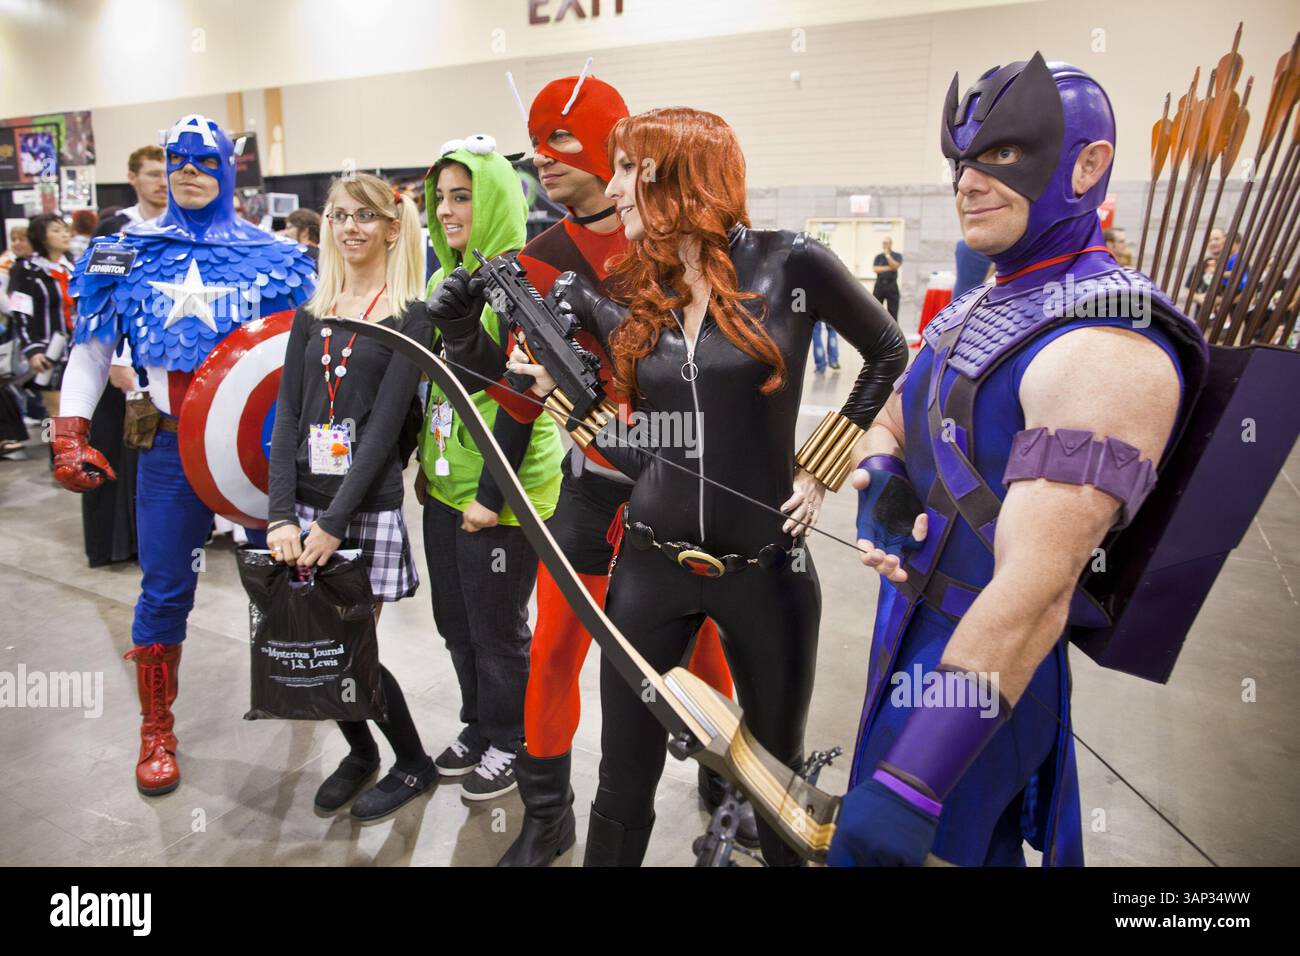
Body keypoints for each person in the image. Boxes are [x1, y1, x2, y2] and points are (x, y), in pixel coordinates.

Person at [829, 55, 1206, 867]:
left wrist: (913, 780)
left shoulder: (1109, 342)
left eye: (1000, 155)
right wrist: (887, 476)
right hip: (911, 635)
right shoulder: (980, 304)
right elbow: (894, 413)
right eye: (961, 161)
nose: (967, 180)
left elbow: (1038, 592)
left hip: (988, 668)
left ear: (1088, 163)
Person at [507, 107, 907, 867]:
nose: (615, 188)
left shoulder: (791, 263)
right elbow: (646, 450)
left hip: (769, 572)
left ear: (681, 173)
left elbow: (888, 350)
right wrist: (560, 395)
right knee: (622, 780)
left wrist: (819, 465)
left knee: (775, 783)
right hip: (650, 570)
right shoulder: (638, 293)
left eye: (629, 168)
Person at [432, 74, 748, 866]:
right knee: (554, 652)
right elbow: (521, 391)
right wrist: (487, 477)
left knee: (703, 655)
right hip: (596, 487)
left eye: (564, 139)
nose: (544, 156)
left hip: (688, 495)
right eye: (536, 142)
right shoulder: (539, 259)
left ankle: (727, 790)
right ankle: (548, 819)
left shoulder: (693, 243)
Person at [57, 113, 316, 796]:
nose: (189, 172)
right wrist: (67, 429)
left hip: (260, 452)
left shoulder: (277, 255)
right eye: (178, 160)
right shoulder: (120, 252)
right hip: (169, 451)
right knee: (165, 588)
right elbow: (92, 349)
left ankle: (306, 685)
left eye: (204, 161)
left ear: (230, 169)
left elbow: (308, 362)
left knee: (287, 577)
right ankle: (155, 730)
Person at [266, 173, 437, 820]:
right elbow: (287, 416)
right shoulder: (314, 310)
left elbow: (386, 428)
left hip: (359, 511)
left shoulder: (409, 316)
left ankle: (412, 763)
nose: (350, 228)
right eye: (339, 216)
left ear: (394, 227)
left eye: (364, 216)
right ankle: (361, 751)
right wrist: (281, 511)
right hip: (304, 507)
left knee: (349, 649)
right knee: (314, 649)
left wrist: (334, 523)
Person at [420, 136, 565, 803]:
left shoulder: (525, 282)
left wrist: (488, 492)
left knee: (497, 627)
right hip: (445, 485)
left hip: (504, 492)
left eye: (463, 196)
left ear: (498, 199)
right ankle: (479, 723)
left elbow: (519, 397)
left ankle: (513, 736)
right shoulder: (438, 279)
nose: (447, 211)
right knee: (455, 622)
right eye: (440, 197)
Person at [8, 214, 76, 418]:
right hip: (47, 350)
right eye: (56, 230)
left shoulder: (72, 268)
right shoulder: (26, 269)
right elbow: (20, 313)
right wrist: (32, 349)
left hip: (77, 348)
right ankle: (57, 451)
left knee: (78, 411)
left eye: (65, 229)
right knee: (57, 412)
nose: (64, 235)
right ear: (41, 237)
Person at [94, 146, 169, 238]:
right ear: (132, 177)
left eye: (168, 175)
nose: (164, 183)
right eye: (154, 175)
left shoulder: (187, 226)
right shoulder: (110, 228)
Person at [872, 237, 903, 320]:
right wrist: (890, 268)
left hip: (892, 285)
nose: (885, 245)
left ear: (891, 244)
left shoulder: (897, 255)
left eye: (887, 243)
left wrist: (888, 256)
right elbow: (876, 269)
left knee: (893, 311)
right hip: (880, 285)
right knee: (875, 310)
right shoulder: (878, 257)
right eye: (884, 243)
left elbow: (895, 265)